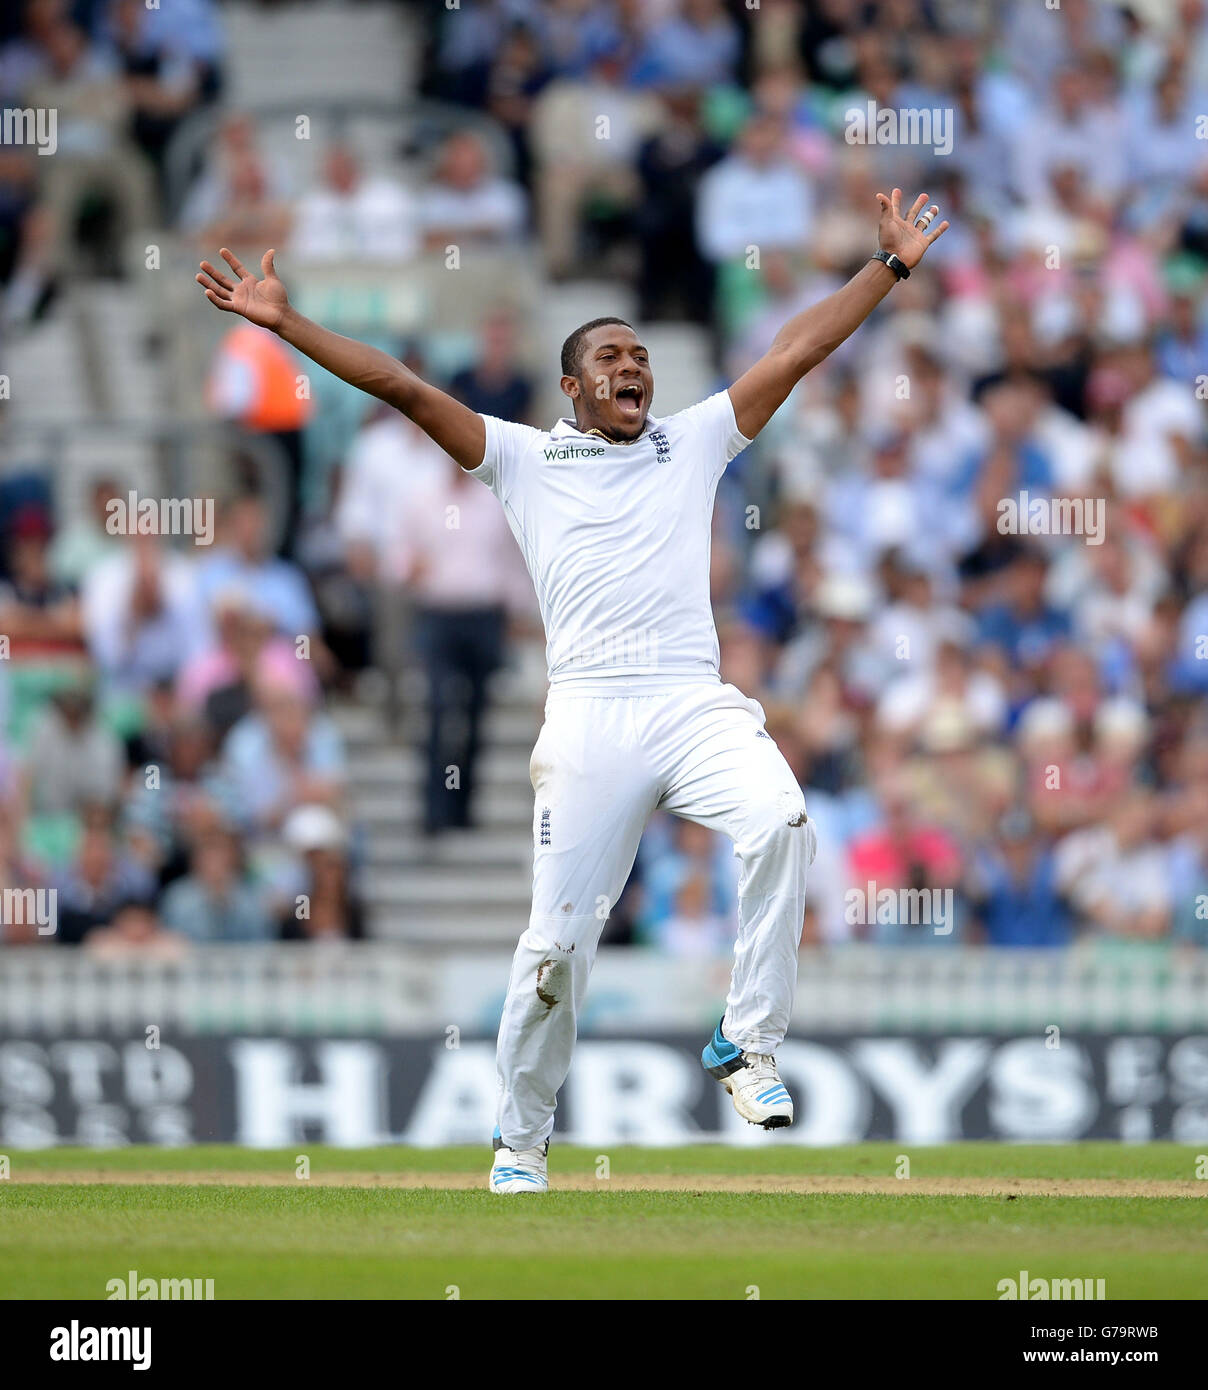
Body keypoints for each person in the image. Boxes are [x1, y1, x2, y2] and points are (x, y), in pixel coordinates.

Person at [195, 184, 949, 1194]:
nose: (631, 367)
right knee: (554, 950)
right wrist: (288, 327)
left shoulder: (691, 441)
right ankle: (519, 1141)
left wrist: (887, 267)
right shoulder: (525, 457)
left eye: (638, 355)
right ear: (571, 389)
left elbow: (795, 353)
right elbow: (405, 388)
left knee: (779, 822)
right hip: (590, 716)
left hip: (691, 700)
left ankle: (745, 1041)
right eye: (609, 358)